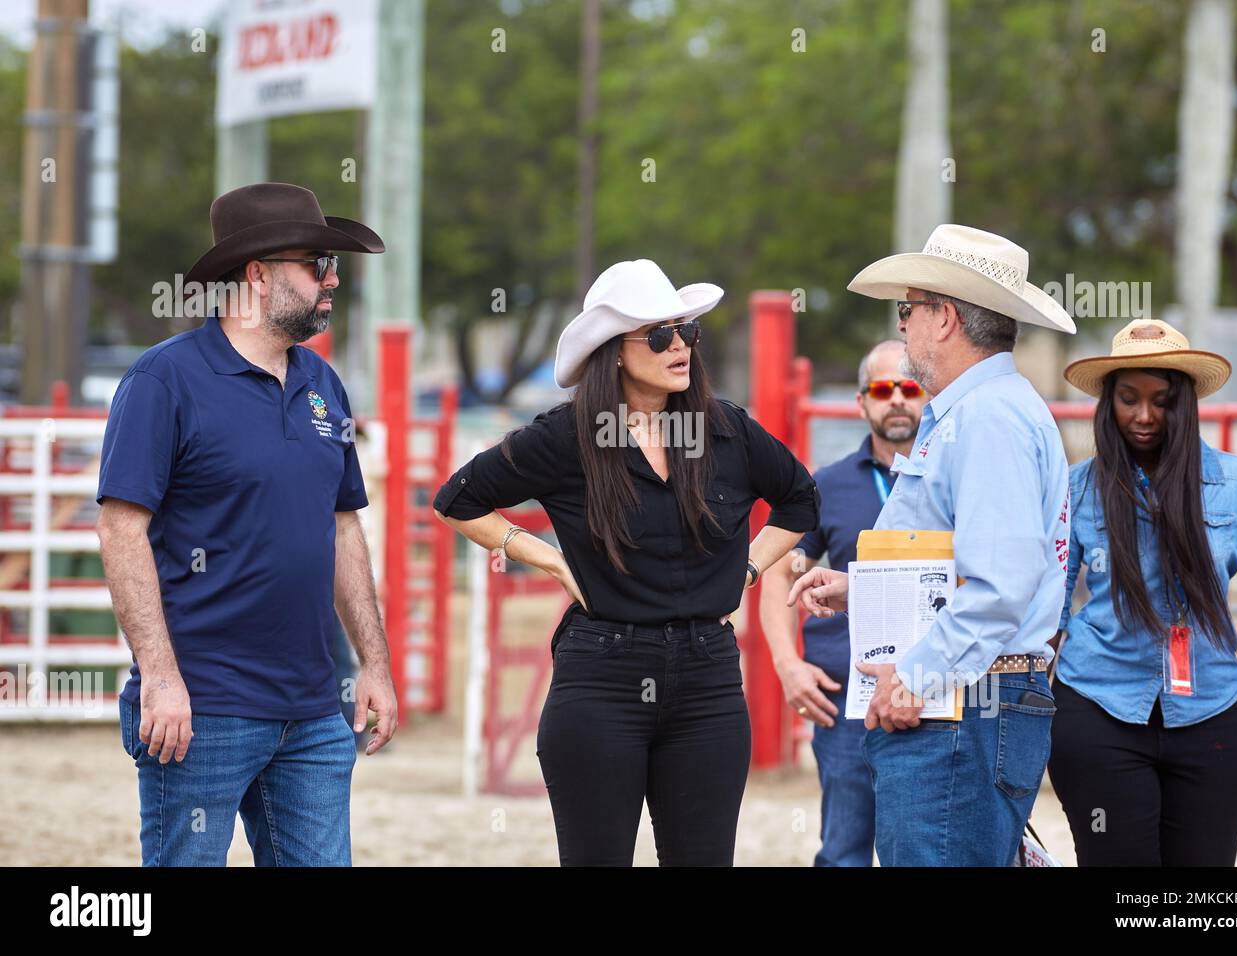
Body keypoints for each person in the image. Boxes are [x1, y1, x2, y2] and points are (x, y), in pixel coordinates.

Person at [433, 259, 820, 866]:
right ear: (613, 352)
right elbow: (457, 500)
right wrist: (551, 562)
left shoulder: (725, 431)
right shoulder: (567, 437)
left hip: (708, 681)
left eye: (686, 332)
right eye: (659, 335)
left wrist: (744, 570)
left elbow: (801, 500)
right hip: (601, 677)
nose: (680, 347)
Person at [98, 182, 398, 867]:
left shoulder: (324, 384)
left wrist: (373, 665)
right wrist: (161, 678)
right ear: (257, 273)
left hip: (314, 712)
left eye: (333, 265)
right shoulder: (164, 381)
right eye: (316, 262)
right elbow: (121, 532)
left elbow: (343, 528)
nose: (331, 280)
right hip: (202, 709)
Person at [788, 224, 1077, 866]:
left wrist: (913, 678)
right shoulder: (980, 411)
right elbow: (966, 561)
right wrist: (860, 590)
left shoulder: (986, 418)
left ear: (944, 317)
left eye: (908, 310)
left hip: (963, 706)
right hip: (974, 699)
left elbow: (999, 586)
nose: (904, 329)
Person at [1049, 319, 1237, 866]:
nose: (1144, 416)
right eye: (1129, 399)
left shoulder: (1235, 485)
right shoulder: (1078, 488)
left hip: (1213, 720)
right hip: (1096, 711)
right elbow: (1051, 608)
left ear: (1184, 404)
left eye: (1162, 400)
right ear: (1108, 403)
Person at [758, 339, 924, 866]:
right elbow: (777, 573)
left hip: (939, 687)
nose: (896, 399)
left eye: (909, 387)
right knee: (845, 851)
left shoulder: (955, 479)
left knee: (932, 848)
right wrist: (788, 667)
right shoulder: (824, 485)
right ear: (861, 402)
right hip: (846, 694)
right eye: (882, 388)